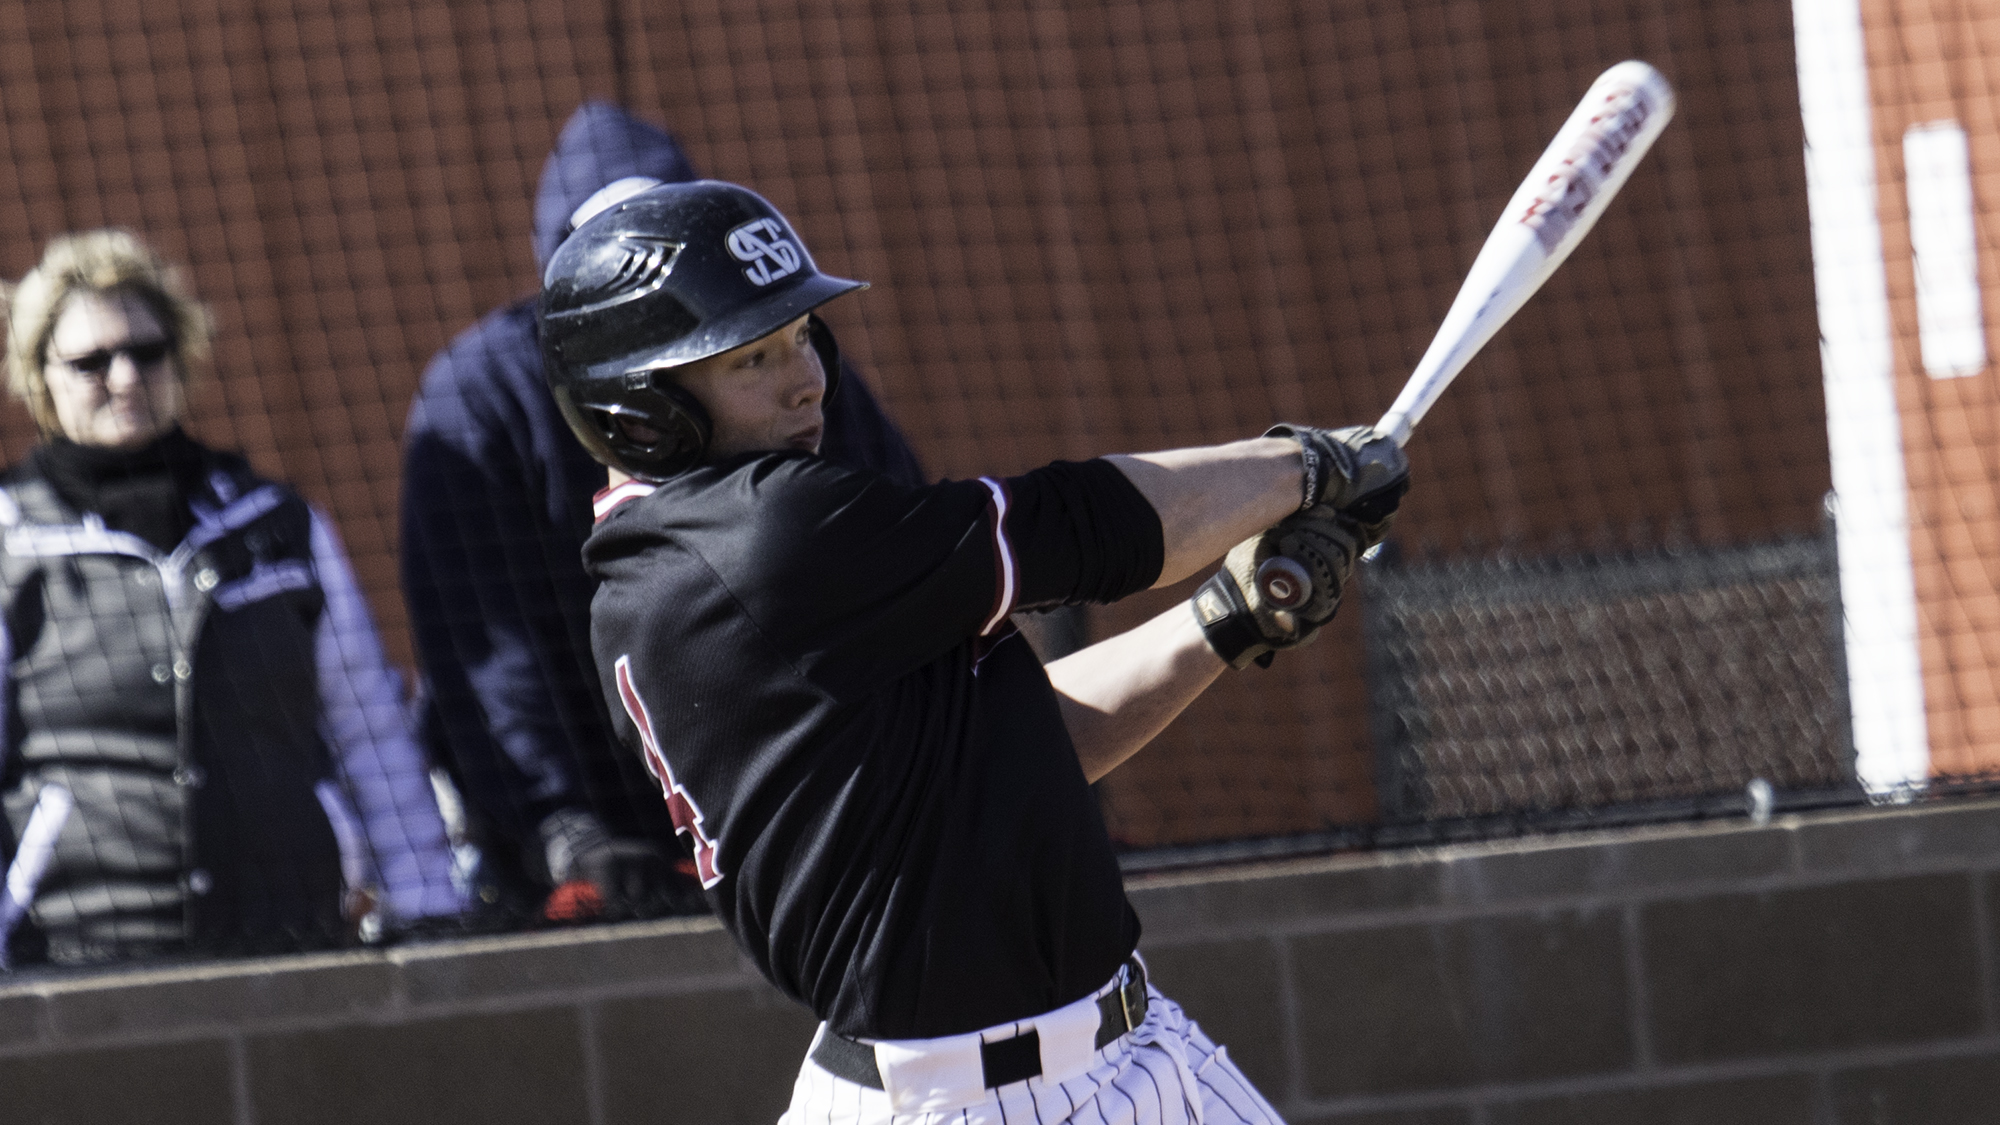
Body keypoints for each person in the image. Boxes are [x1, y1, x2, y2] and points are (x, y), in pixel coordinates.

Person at [538, 181, 1408, 1122]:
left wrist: (1231, 618)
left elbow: (1023, 741)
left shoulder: (677, 563)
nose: (807, 379)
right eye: (754, 358)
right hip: (965, 1100)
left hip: (1134, 1049)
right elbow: (1080, 525)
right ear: (639, 411)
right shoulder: (760, 540)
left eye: (799, 337)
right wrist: (1307, 467)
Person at [401, 102, 925, 924]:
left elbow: (897, 557)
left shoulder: (790, 362)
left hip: (789, 821)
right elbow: (486, 657)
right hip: (593, 857)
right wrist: (562, 833)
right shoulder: (478, 398)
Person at [0, 229, 461, 966]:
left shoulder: (277, 524)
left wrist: (431, 909)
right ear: (40, 378)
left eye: (146, 352)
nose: (125, 377)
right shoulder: (10, 544)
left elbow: (368, 729)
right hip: (83, 957)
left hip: (292, 937)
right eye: (91, 361)